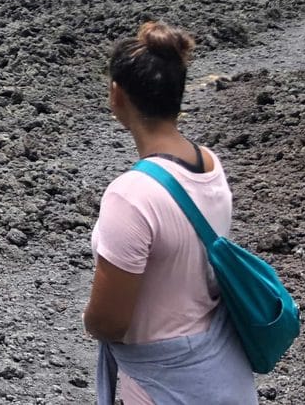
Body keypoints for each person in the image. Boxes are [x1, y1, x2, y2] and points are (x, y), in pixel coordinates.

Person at [83, 21, 257, 405]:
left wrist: (88, 319)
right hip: (223, 373)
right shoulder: (209, 164)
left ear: (117, 95)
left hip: (163, 384)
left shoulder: (130, 196)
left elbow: (110, 321)